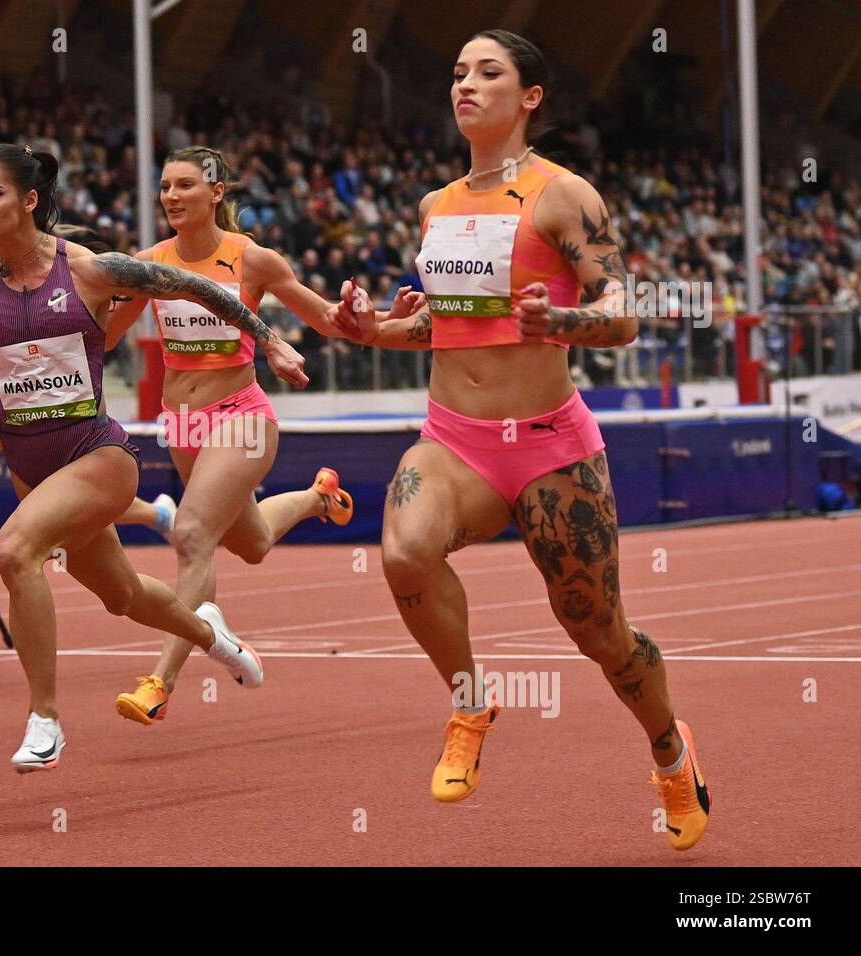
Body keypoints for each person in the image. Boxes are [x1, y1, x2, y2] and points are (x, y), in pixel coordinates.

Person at [329, 30, 710, 851]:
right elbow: (438, 328)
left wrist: (562, 318)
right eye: (458, 71)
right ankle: (469, 702)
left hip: (550, 447)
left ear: (529, 97)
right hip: (454, 441)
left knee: (600, 632)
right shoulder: (436, 206)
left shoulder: (564, 197)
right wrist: (371, 329)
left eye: (488, 73)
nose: (465, 84)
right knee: (403, 552)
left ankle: (672, 754)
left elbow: (625, 316)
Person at [0, 143, 306, 771]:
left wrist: (272, 343)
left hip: (98, 455)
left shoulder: (91, 270)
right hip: (32, 468)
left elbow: (202, 287)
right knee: (122, 595)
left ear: (29, 201)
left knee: (16, 551)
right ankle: (213, 635)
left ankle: (45, 719)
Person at [104, 146, 423, 726]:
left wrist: (383, 317)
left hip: (242, 418)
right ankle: (316, 497)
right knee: (249, 543)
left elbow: (330, 320)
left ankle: (160, 680)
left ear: (216, 194)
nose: (171, 197)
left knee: (194, 534)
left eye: (184, 186)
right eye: (165, 187)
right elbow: (103, 337)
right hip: (182, 425)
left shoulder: (253, 260)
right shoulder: (150, 263)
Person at [0, 227, 175, 651]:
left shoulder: (77, 277)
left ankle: (157, 517)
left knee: (75, 524)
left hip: (52, 412)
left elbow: (94, 337)